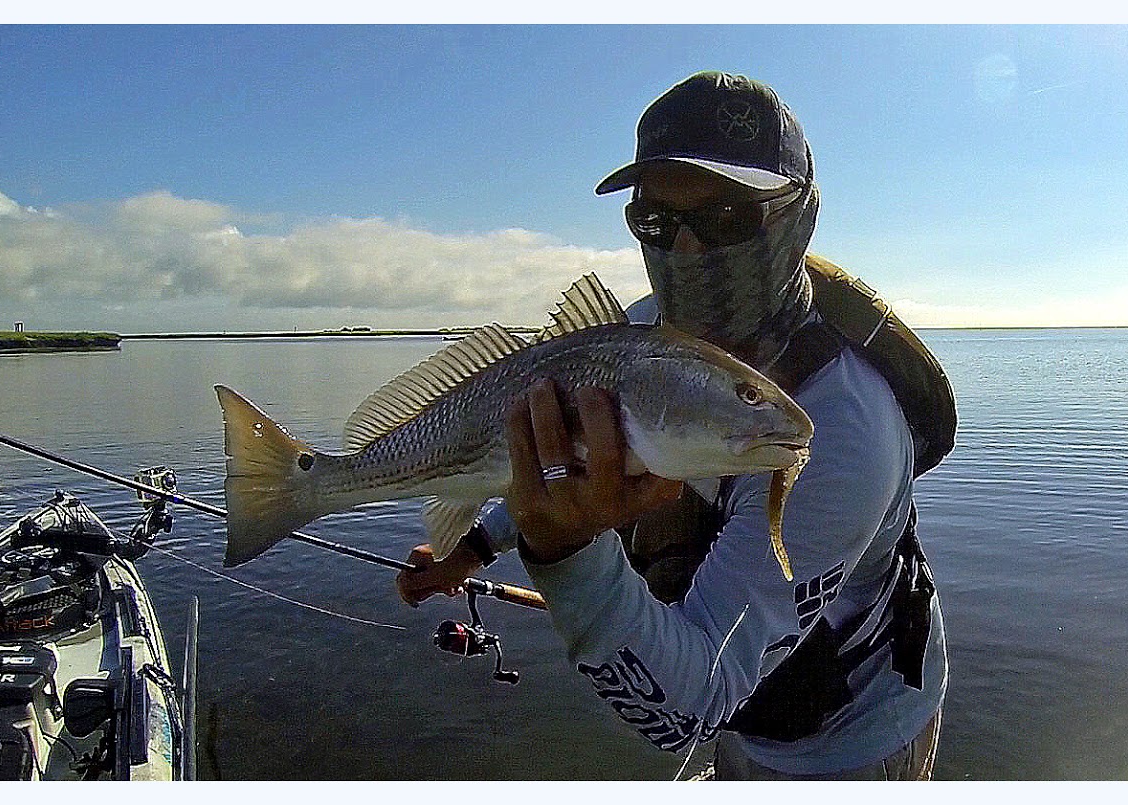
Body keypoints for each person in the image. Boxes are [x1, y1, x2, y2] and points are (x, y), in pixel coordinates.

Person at [397, 71, 949, 780]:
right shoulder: (640, 340)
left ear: (798, 218)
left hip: (853, 743)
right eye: (657, 222)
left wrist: (563, 548)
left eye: (727, 218)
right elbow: (551, 449)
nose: (686, 253)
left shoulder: (842, 432)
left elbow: (686, 706)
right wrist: (471, 548)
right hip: (746, 710)